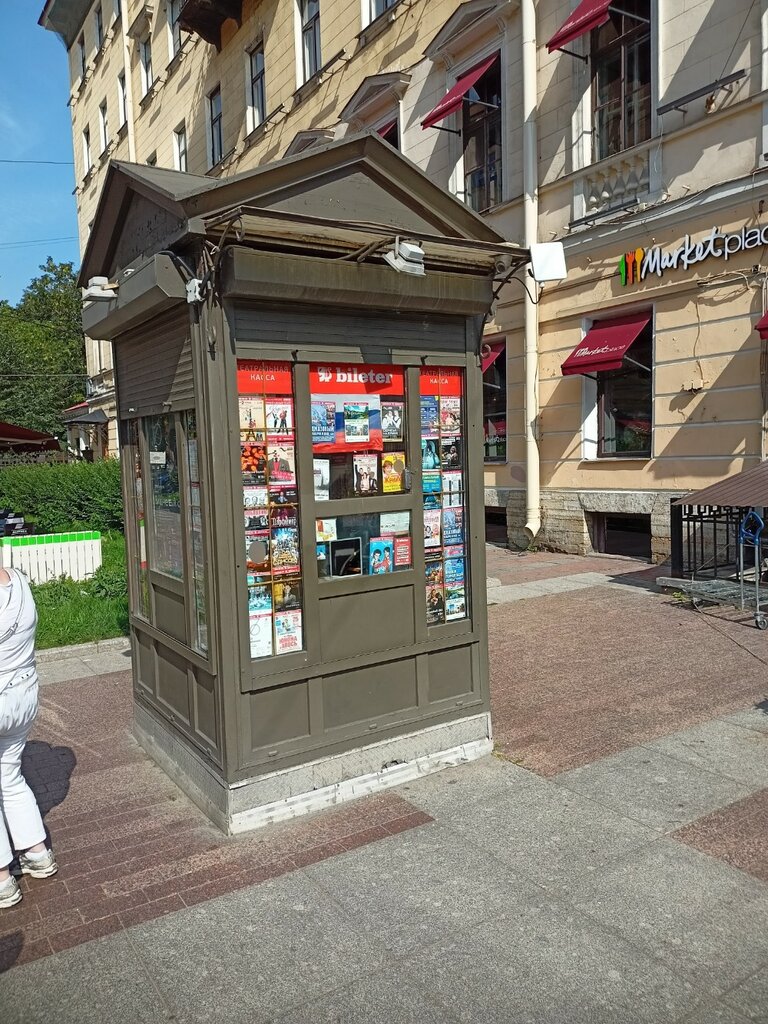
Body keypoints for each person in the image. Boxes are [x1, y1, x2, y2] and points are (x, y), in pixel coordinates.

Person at [0, 566, 57, 909]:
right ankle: (37, 854)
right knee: (10, 775)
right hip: (24, 695)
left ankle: (3, 881)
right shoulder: (20, 581)